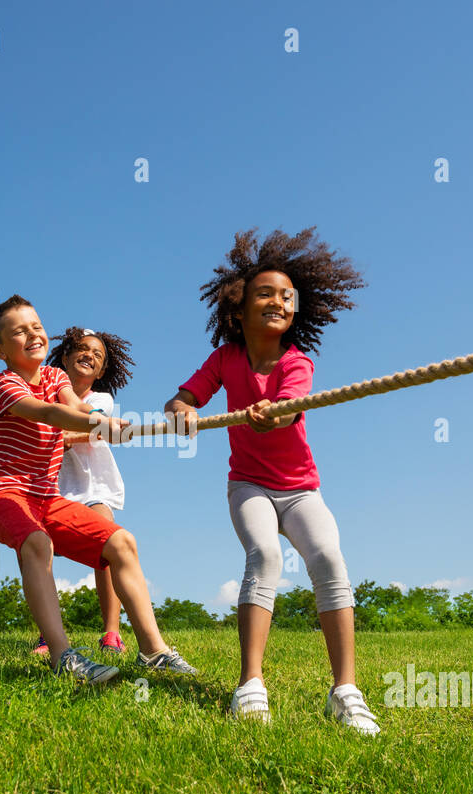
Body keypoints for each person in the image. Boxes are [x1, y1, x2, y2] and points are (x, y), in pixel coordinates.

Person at [164, 227, 380, 734]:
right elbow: (184, 398)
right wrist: (180, 411)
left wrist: (274, 414)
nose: (278, 301)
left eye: (287, 295)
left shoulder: (297, 360)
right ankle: (250, 685)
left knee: (328, 558)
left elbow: (287, 411)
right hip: (250, 486)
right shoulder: (225, 358)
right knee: (265, 556)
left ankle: (345, 690)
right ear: (238, 310)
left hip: (300, 487)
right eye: (265, 293)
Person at [0, 294, 195, 683]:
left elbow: (72, 406)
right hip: (3, 493)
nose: (33, 334)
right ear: (0, 350)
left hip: (48, 498)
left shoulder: (57, 377)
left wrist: (98, 417)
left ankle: (154, 651)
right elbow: (47, 412)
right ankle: (62, 656)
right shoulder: (5, 386)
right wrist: (95, 426)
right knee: (37, 544)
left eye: (37, 327)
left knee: (122, 543)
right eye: (19, 331)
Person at [33, 326, 134, 655]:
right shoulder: (42, 397)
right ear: (64, 356)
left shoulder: (99, 399)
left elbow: (95, 429)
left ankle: (111, 632)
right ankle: (48, 635)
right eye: (83, 349)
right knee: (39, 550)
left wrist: (58, 438)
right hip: (53, 489)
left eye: (98, 355)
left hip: (94, 487)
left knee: (107, 542)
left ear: (102, 370)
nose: (90, 355)